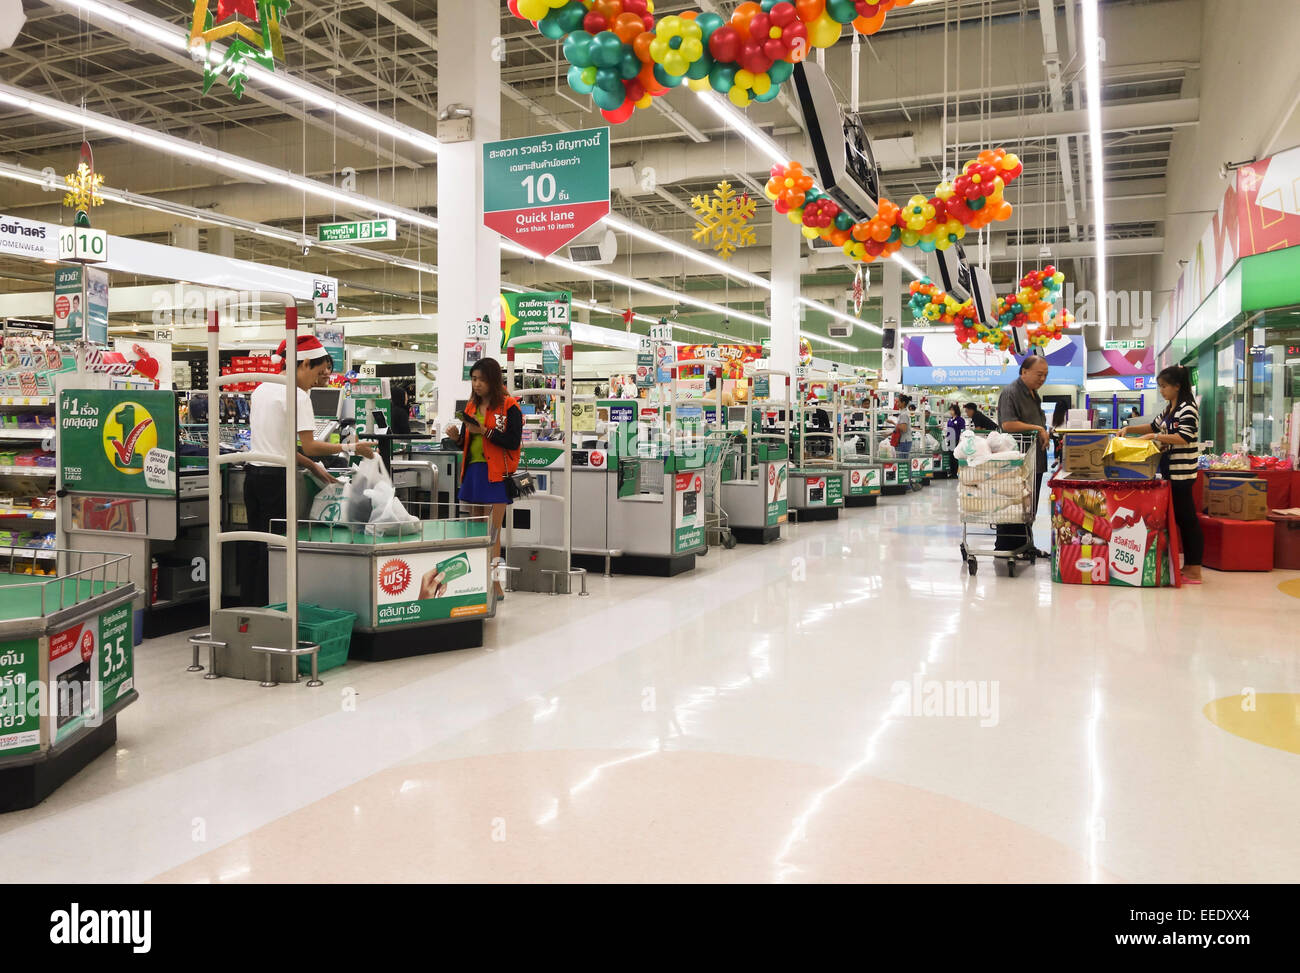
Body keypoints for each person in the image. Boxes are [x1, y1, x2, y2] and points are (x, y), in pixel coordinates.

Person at [240, 335, 375, 607]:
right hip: (277, 482)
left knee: (254, 545)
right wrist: (351, 448)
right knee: (277, 548)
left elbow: (283, 446)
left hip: (252, 477)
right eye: (317, 371)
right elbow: (310, 445)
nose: (317, 379)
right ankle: (275, 608)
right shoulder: (298, 395)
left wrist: (314, 467)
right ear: (303, 363)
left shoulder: (261, 389)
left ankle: (251, 607)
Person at [444, 357, 522, 600]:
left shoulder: (509, 406)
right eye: (474, 379)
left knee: (494, 533)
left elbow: (512, 441)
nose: (477, 384)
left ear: (493, 379)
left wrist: (485, 431)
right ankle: (478, 581)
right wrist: (458, 438)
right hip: (474, 473)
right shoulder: (470, 407)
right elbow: (469, 442)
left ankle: (496, 584)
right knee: (477, 532)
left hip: (497, 474)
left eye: (482, 379)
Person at [1122, 365, 1203, 584]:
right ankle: (1184, 565)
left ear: (1177, 386)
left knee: (1187, 520)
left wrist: (1154, 437)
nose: (1161, 390)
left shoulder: (1188, 408)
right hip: (1169, 471)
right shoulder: (1170, 408)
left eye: (1164, 386)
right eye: (1159, 386)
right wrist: (1130, 429)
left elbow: (1183, 437)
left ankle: (1194, 569)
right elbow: (1152, 425)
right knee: (1179, 519)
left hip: (1182, 472)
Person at [995, 355, 1051, 559]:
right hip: (1016, 462)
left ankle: (1026, 545)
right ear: (1024, 372)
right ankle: (1007, 547)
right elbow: (1008, 424)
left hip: (1034, 460)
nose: (1042, 378)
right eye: (1039, 374)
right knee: (1013, 506)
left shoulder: (1034, 394)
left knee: (1029, 507)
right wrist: (1037, 428)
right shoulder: (1011, 392)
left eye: (1045, 375)